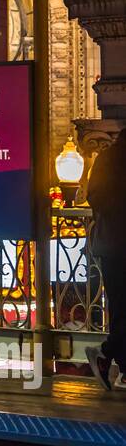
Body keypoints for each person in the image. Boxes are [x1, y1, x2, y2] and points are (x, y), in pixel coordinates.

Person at [86, 127, 126, 390]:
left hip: (112, 244)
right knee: (123, 306)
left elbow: (94, 197)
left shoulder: (106, 159)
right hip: (116, 243)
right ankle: (109, 354)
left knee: (121, 306)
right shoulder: (110, 160)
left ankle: (113, 357)